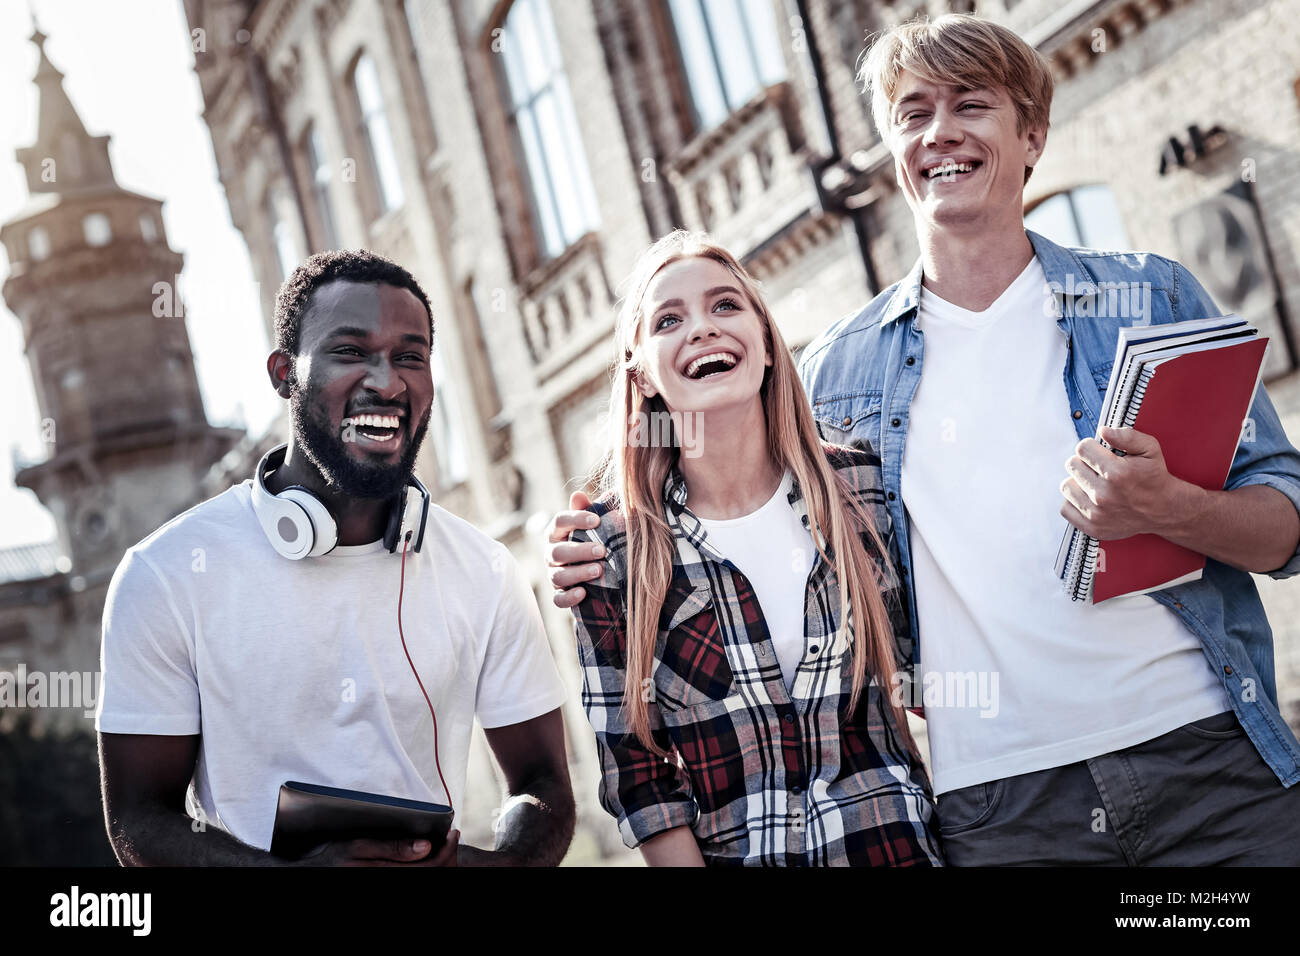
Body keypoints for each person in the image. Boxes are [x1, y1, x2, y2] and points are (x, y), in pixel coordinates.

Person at [552, 14, 1300, 865]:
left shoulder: (1150, 299)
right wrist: (600, 538)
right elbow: (724, 496)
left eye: (970, 105)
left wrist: (1177, 509)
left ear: (1032, 136)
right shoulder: (837, 370)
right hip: (1005, 810)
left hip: (1211, 762)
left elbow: (1287, 530)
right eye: (912, 114)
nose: (939, 132)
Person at [98, 249, 575, 866]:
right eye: (350, 352)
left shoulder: (482, 569)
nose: (388, 380)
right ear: (283, 375)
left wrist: (500, 864)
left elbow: (543, 784)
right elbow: (139, 819)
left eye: (410, 356)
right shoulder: (162, 575)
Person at [563, 230, 942, 866]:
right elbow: (639, 782)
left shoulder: (863, 489)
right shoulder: (612, 554)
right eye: (669, 319)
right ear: (643, 374)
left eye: (726, 306)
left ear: (766, 345)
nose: (704, 329)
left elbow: (928, 677)